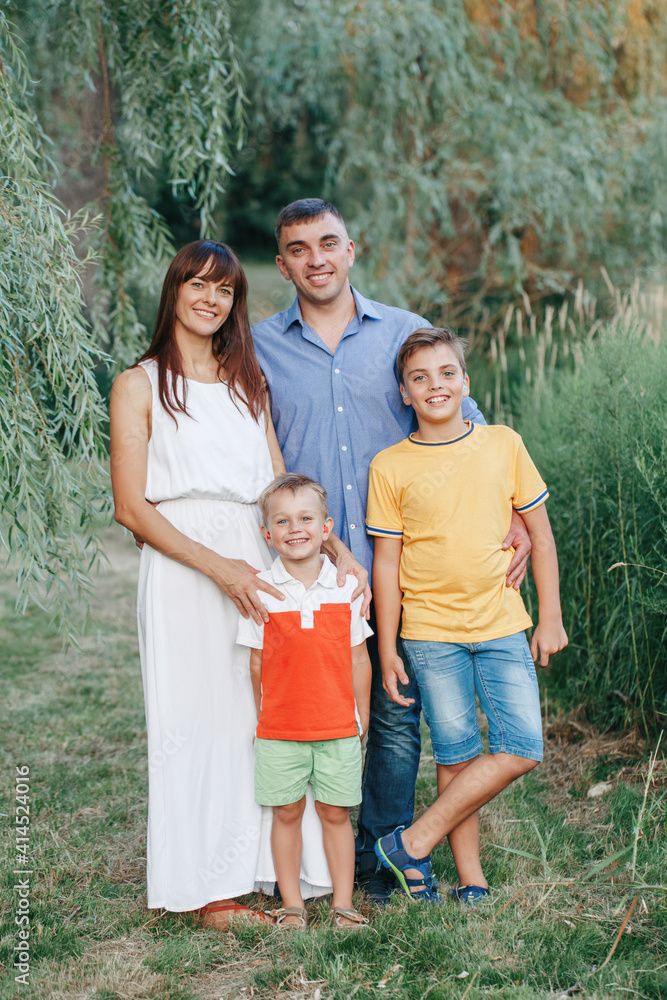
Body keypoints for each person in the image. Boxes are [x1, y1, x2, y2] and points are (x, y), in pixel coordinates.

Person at [251, 198, 532, 901]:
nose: (315, 258)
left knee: (397, 708)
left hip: (403, 563)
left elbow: (467, 433)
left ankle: (383, 858)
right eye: (297, 248)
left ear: (353, 248)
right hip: (312, 568)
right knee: (320, 709)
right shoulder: (258, 348)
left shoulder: (405, 336)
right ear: (281, 262)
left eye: (327, 242)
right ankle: (313, 855)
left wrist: (519, 519)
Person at [110, 240, 360, 928]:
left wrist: (336, 551)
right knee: (196, 721)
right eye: (197, 284)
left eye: (224, 290)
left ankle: (269, 872)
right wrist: (218, 567)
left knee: (267, 717)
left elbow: (278, 486)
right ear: (173, 292)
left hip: (257, 557)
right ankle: (206, 889)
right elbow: (131, 507)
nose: (210, 299)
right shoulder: (139, 384)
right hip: (188, 568)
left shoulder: (247, 380)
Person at [367, 327, 568, 903]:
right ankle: (471, 881)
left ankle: (413, 841)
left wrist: (549, 615)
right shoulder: (391, 466)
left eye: (446, 373)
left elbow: (542, 537)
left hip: (502, 621)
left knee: (523, 746)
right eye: (420, 378)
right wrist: (387, 648)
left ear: (466, 382)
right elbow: (386, 563)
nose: (436, 386)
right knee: (454, 753)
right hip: (430, 632)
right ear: (404, 393)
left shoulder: (503, 443)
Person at [237, 473, 372, 929]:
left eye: (306, 518)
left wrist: (361, 718)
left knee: (336, 813)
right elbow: (257, 665)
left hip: (337, 726)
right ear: (267, 534)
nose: (296, 528)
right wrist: (264, 719)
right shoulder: (262, 593)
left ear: (326, 526)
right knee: (287, 811)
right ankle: (291, 903)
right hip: (280, 729)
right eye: (283, 521)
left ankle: (344, 904)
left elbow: (359, 661)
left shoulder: (345, 589)